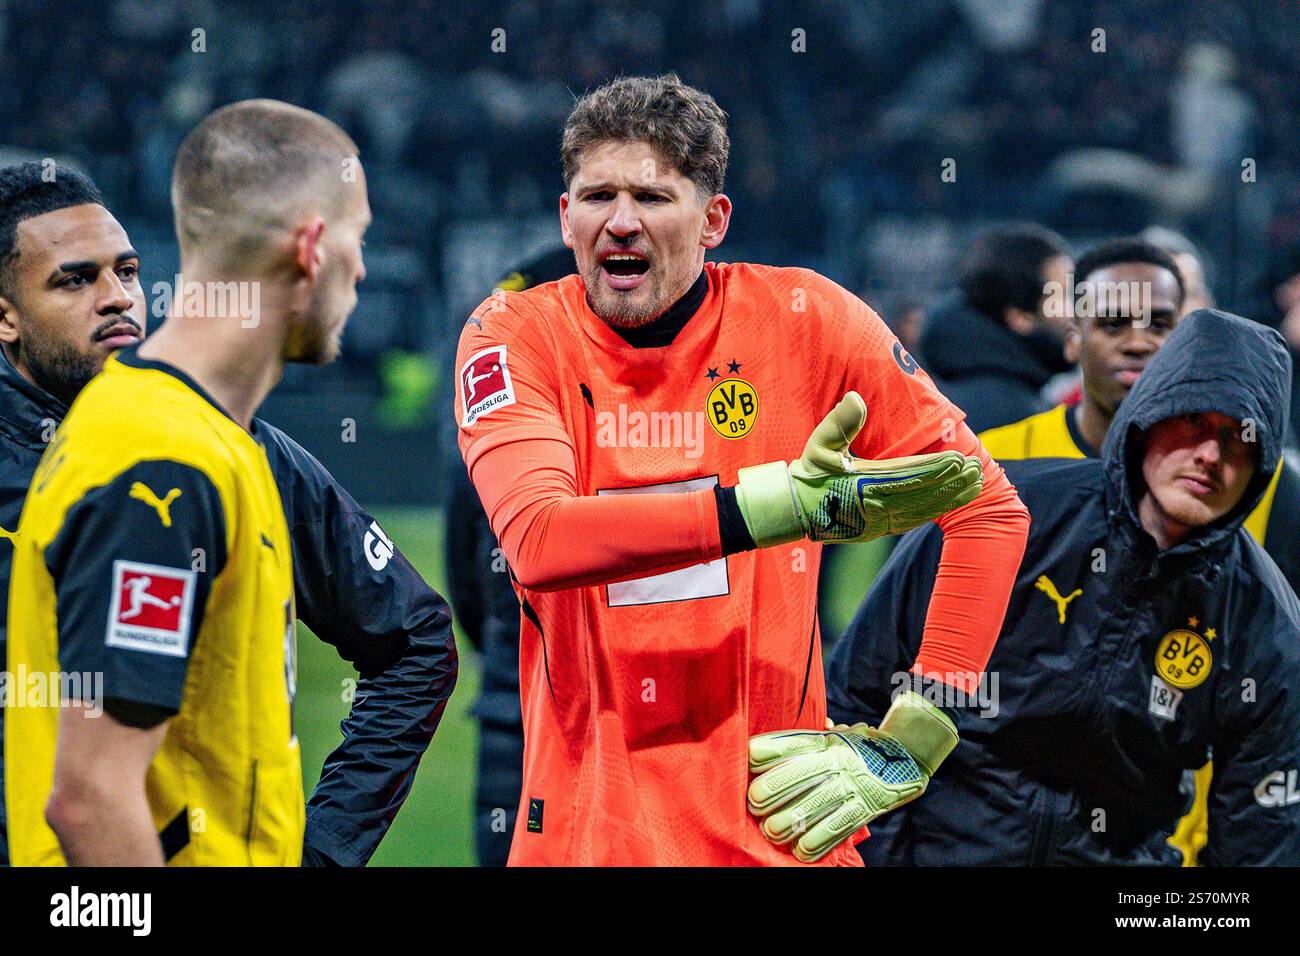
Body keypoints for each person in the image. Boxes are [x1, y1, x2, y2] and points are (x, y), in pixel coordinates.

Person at [454, 74, 1029, 866]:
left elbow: (989, 508)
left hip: (782, 827)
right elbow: (541, 541)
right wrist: (777, 505)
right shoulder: (515, 333)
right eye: (597, 197)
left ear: (713, 219)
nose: (621, 222)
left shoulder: (807, 320)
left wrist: (922, 726)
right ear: (565, 216)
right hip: (591, 837)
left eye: (654, 198)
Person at [0, 162, 456, 868]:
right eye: (74, 279)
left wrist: (324, 848)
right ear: (5, 315)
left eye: (125, 271)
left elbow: (414, 640)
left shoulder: (231, 447)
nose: (117, 298)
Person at [819, 309, 1300, 866]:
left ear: (1262, 465)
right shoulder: (1005, 515)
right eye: (1193, 421)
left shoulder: (1266, 620)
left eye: (1238, 439)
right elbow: (857, 693)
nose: (1211, 455)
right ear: (1148, 417)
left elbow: (1263, 836)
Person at [443, 244, 573, 866]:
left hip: (509, 703)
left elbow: (461, 583)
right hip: (572, 708)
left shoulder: (484, 429)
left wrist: (502, 648)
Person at [916, 224, 1075, 433]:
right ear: (1020, 316)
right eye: (1063, 295)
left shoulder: (928, 390)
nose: (1077, 310)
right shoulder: (1022, 420)